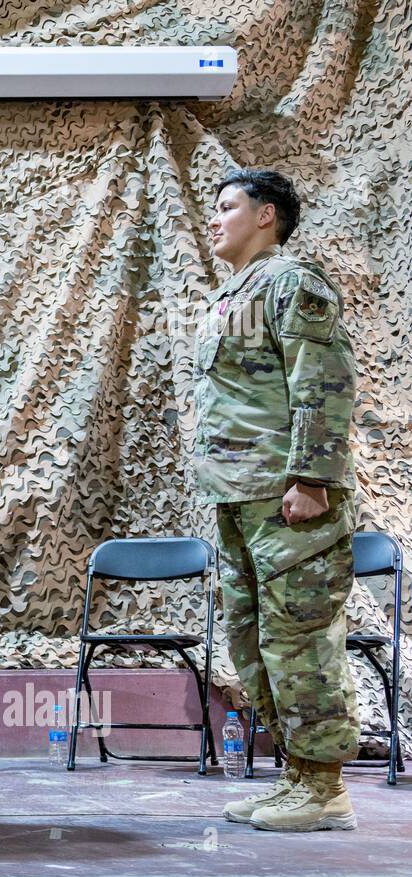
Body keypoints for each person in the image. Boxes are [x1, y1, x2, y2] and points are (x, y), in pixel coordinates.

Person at [195, 168, 360, 832]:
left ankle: (325, 787)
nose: (215, 219)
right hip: (240, 499)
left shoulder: (292, 282)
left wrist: (312, 479)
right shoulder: (231, 293)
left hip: (288, 498)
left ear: (267, 216)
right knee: (254, 640)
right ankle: (296, 774)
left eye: (228, 206)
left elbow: (322, 380)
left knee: (300, 639)